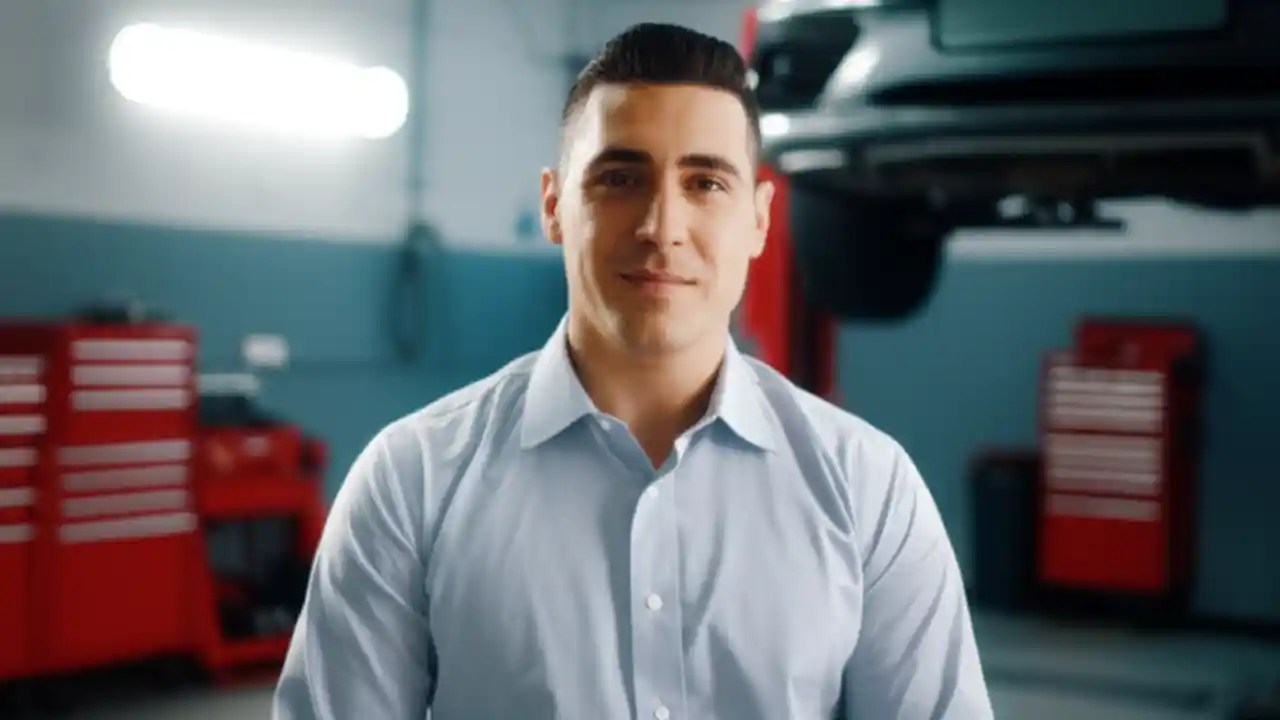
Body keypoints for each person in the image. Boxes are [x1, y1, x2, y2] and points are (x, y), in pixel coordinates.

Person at [273, 22, 992, 720]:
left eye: (705, 183)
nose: (660, 227)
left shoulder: (868, 490)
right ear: (555, 205)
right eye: (620, 178)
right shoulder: (412, 482)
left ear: (759, 219)